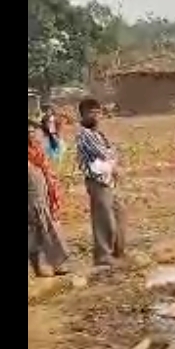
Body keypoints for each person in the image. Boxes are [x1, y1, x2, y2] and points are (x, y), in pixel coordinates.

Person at [74, 98, 127, 267]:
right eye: (92, 113)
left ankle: (118, 252)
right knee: (104, 219)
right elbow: (105, 154)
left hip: (108, 180)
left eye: (98, 113)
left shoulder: (98, 134)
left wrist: (113, 160)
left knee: (119, 214)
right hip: (98, 181)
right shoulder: (85, 134)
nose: (96, 116)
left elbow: (112, 153)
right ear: (83, 116)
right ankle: (103, 255)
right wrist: (113, 162)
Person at [28, 122, 70, 277]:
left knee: (50, 233)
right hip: (32, 204)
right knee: (34, 237)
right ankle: (39, 268)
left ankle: (56, 264)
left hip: (43, 201)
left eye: (32, 131)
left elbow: (58, 152)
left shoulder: (38, 152)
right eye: (28, 132)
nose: (31, 135)